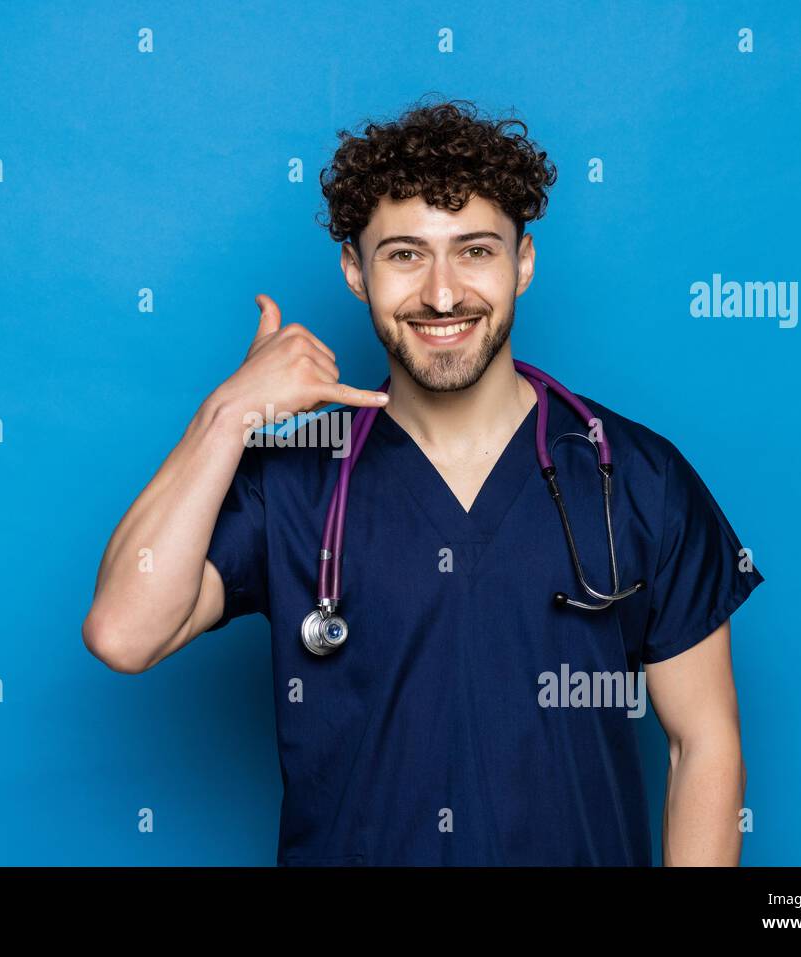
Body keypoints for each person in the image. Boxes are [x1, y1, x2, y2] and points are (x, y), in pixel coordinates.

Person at [83, 98, 765, 866]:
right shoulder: (294, 483)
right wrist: (228, 413)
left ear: (524, 262)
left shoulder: (636, 476)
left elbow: (702, 743)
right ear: (354, 270)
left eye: (475, 250)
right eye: (405, 254)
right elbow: (123, 633)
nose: (443, 295)